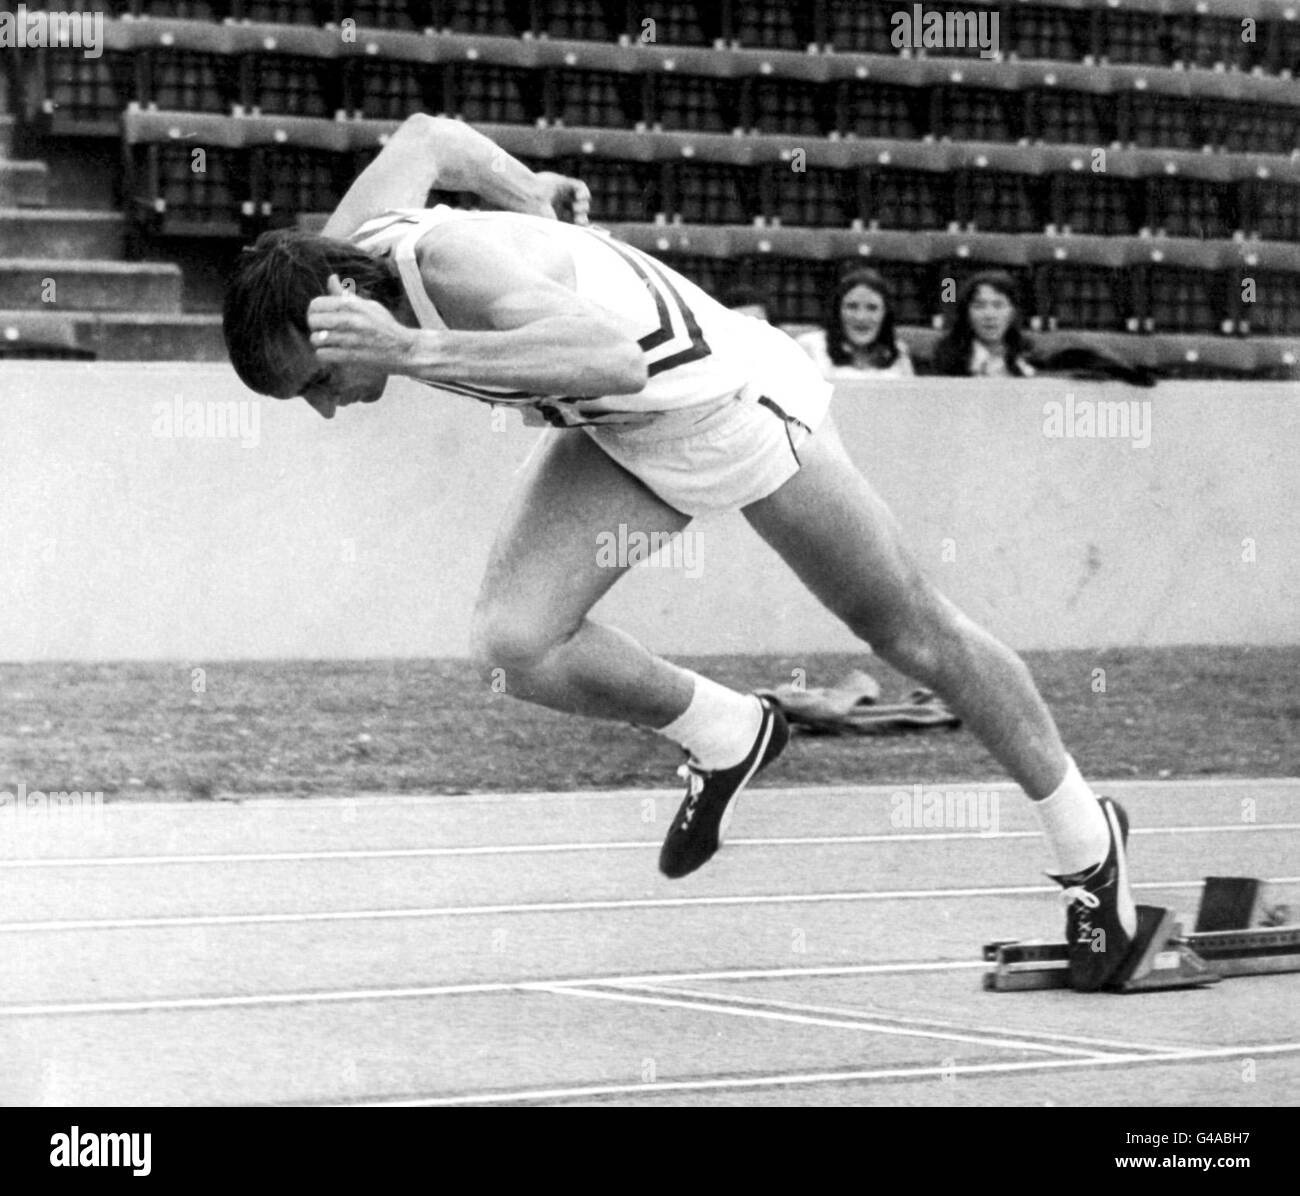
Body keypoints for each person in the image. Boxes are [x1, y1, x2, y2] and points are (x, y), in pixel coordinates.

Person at [223, 114, 1138, 993]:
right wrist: (526, 188)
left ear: (342, 305)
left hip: (728, 410)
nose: (330, 406)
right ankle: (730, 732)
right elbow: (428, 137)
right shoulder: (344, 247)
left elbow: (616, 358)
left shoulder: (440, 270)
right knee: (517, 641)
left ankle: (1088, 845)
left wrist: (415, 347)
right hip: (620, 432)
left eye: (320, 380)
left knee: (910, 633)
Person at [796, 268, 914, 379]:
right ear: (837, 311)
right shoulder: (809, 347)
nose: (861, 317)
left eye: (872, 308)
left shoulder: (899, 353)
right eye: (852, 306)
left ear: (885, 313)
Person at [931, 270, 1036, 377]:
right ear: (966, 313)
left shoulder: (1029, 355)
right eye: (979, 306)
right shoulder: (947, 359)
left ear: (1013, 312)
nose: (989, 315)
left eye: (998, 305)